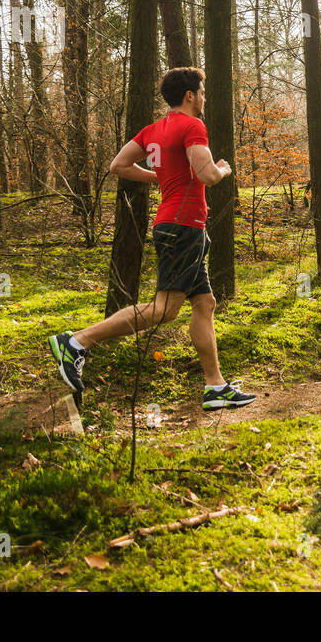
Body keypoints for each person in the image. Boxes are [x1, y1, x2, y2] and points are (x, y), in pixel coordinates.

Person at [46, 66, 255, 410]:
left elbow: (119, 165)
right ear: (190, 95)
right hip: (182, 227)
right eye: (201, 93)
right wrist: (223, 169)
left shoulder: (152, 130)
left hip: (177, 224)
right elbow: (207, 175)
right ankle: (77, 341)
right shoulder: (192, 126)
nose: (203, 99)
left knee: (204, 304)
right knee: (164, 309)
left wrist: (160, 179)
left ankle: (215, 386)